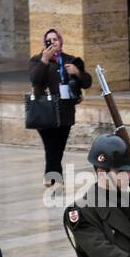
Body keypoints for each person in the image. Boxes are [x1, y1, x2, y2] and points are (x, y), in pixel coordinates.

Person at [28, 28, 91, 188]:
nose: (53, 42)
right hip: (45, 110)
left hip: (65, 111)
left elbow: (87, 82)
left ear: (60, 41)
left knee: (58, 146)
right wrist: (44, 60)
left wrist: (77, 72)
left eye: (55, 39)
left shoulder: (70, 60)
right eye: (49, 40)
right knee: (50, 145)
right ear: (44, 43)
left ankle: (55, 177)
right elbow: (35, 79)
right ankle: (53, 177)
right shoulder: (36, 60)